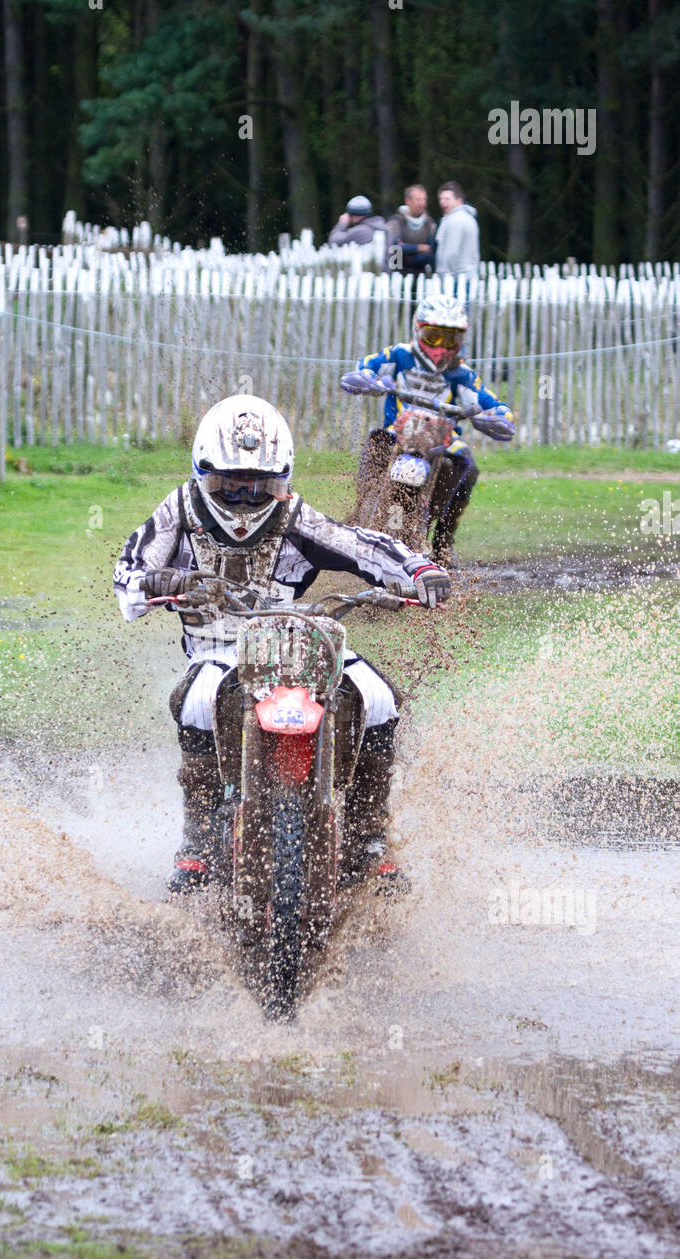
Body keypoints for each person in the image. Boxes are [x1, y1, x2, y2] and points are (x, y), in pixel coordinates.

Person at [114, 395, 450, 894]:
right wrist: (151, 581)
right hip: (218, 647)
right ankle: (200, 841)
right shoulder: (178, 511)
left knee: (378, 697)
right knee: (195, 702)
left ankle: (368, 837)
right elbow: (128, 573)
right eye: (230, 485)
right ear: (202, 472)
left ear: (283, 480)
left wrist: (419, 569)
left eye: (261, 487)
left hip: (299, 638)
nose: (246, 500)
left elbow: (360, 543)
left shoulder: (296, 517)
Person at [344, 294, 515, 564]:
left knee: (466, 464)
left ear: (461, 340)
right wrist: (367, 380)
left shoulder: (462, 374)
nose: (442, 346)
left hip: (443, 437)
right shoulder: (399, 355)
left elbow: (488, 402)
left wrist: (499, 416)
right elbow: (365, 367)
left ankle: (443, 539)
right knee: (377, 439)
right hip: (398, 430)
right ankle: (362, 507)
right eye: (434, 336)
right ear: (418, 329)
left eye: (450, 339)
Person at [434, 181, 480, 279]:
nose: (442, 202)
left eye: (447, 199)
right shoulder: (469, 218)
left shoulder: (455, 220)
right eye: (441, 199)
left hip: (455, 277)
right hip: (468, 274)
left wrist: (444, 276)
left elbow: (451, 253)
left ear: (459, 201)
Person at [386, 185, 436, 274]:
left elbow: (430, 251)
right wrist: (418, 248)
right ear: (407, 201)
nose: (422, 203)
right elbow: (394, 248)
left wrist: (407, 250)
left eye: (424, 199)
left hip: (421, 275)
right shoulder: (396, 221)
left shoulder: (430, 223)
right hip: (398, 275)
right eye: (418, 200)